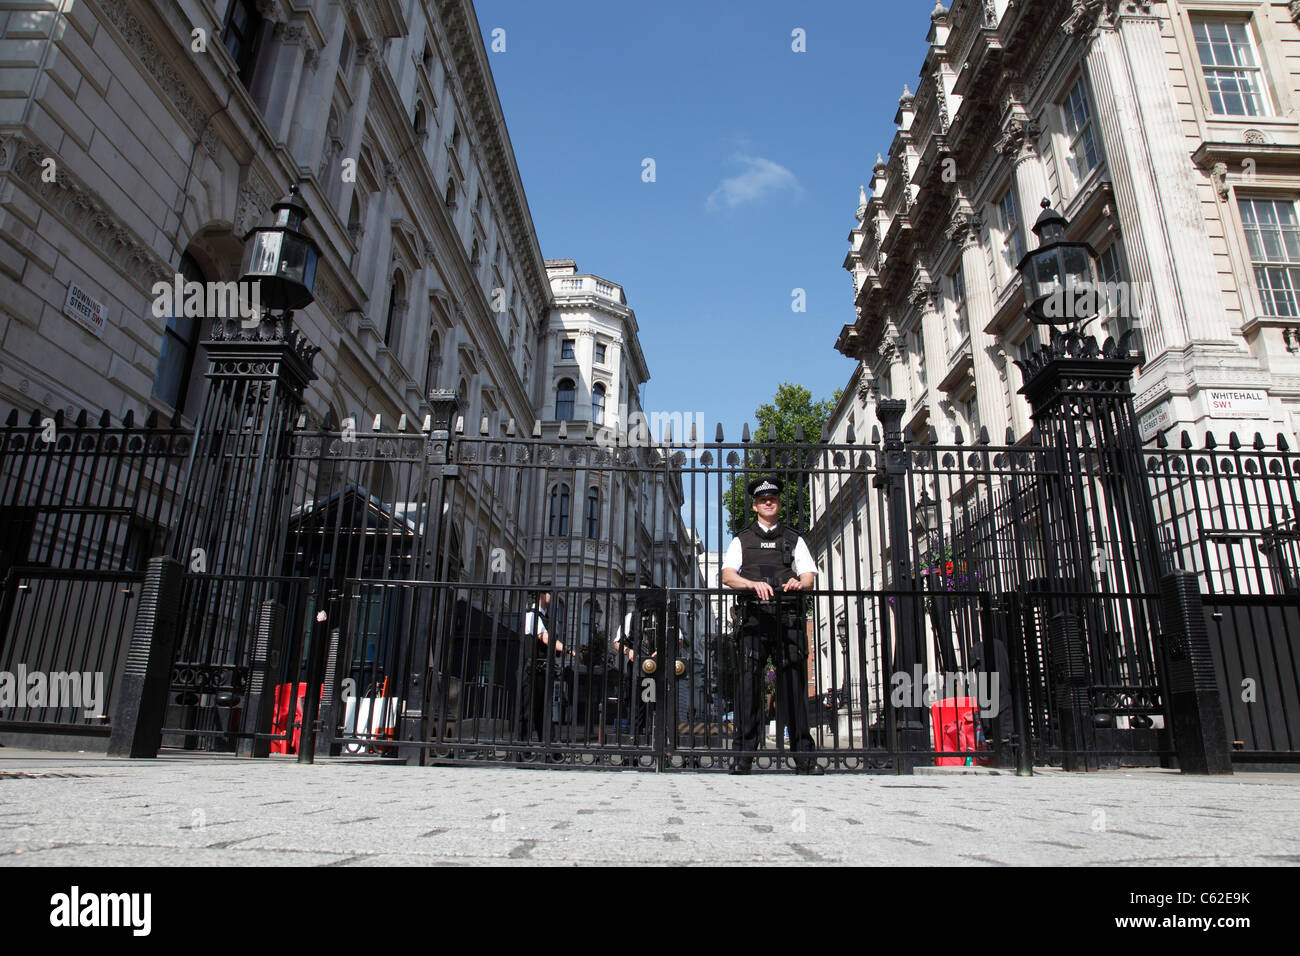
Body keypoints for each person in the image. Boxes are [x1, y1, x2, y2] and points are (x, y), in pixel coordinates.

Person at [721, 476, 823, 775]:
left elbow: (808, 577)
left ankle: (803, 755)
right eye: (763, 499)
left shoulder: (795, 538)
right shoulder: (742, 539)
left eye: (773, 498)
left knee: (793, 686)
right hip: (753, 617)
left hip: (788, 618)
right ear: (755, 506)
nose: (769, 502)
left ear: (778, 503)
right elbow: (728, 575)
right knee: (748, 686)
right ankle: (743, 755)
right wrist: (751, 585)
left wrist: (797, 582)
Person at [517, 587, 574, 759]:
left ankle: (548, 748)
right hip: (530, 670)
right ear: (542, 594)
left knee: (545, 711)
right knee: (528, 711)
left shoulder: (546, 618)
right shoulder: (531, 614)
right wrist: (568, 650)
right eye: (550, 593)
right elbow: (545, 638)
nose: (553, 596)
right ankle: (523, 749)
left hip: (544, 671)